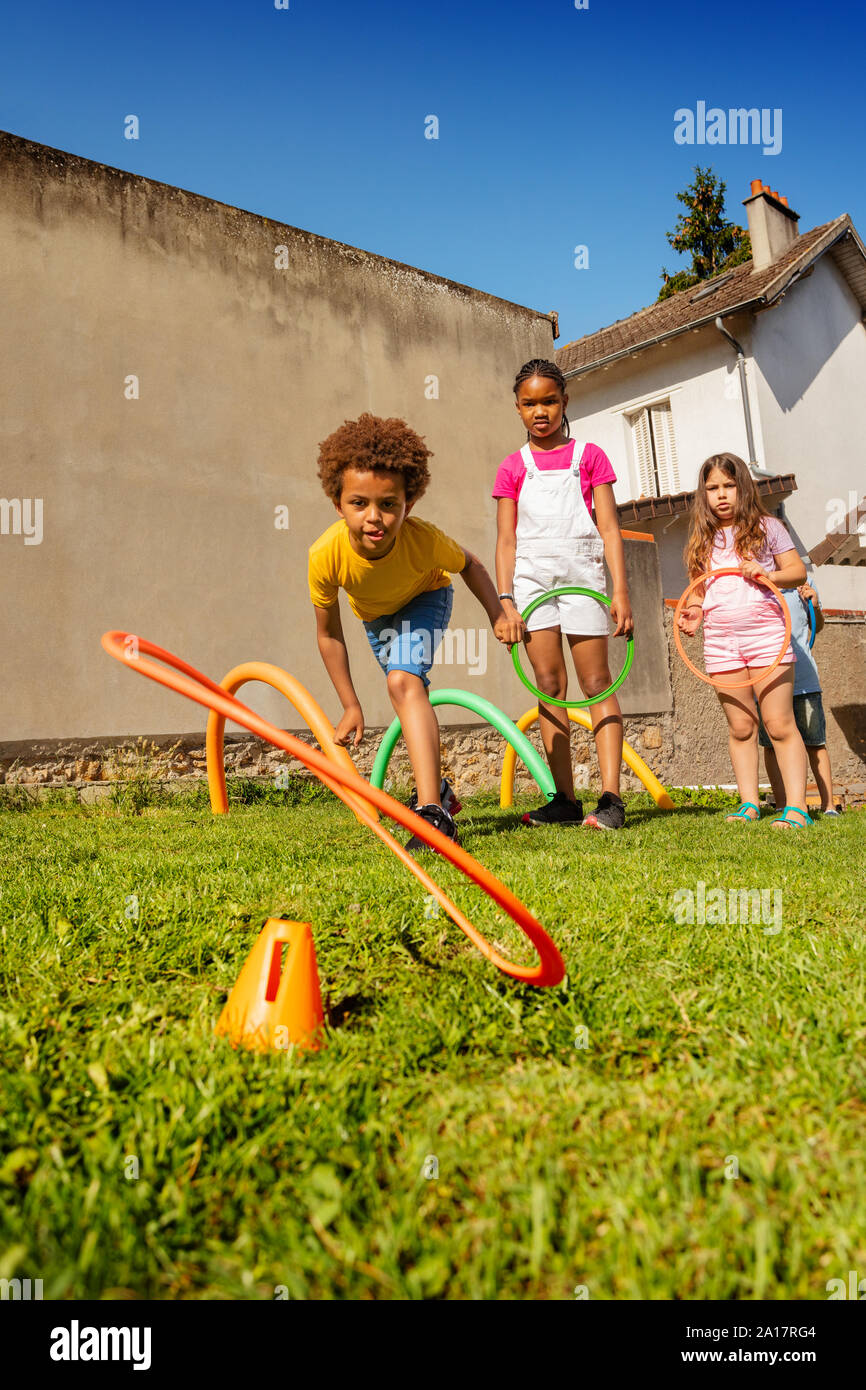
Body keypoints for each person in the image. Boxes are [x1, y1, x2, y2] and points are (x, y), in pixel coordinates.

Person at [308, 412, 519, 852]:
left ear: (409, 504)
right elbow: (329, 634)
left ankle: (432, 813)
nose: (375, 517)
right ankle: (439, 791)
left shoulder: (423, 540)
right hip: (376, 619)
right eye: (359, 503)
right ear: (337, 503)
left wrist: (497, 611)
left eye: (389, 504)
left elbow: (471, 564)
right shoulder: (324, 555)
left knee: (402, 681)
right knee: (406, 693)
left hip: (425, 599)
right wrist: (350, 704)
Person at [493, 358, 634, 830]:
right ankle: (564, 800)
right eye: (530, 403)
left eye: (549, 401)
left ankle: (611, 799)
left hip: (584, 577)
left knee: (597, 684)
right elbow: (506, 541)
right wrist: (506, 599)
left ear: (564, 402)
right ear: (516, 408)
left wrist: (620, 591)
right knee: (548, 686)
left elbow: (611, 529)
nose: (540, 411)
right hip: (532, 583)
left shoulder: (590, 457)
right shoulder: (512, 466)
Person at [677, 452, 812, 828]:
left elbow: (797, 571)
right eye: (712, 488)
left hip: (767, 635)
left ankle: (797, 807)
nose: (721, 495)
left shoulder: (768, 528)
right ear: (703, 494)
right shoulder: (702, 538)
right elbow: (701, 591)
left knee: (779, 723)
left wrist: (764, 573)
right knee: (741, 727)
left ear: (743, 488)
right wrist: (696, 611)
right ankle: (749, 803)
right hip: (721, 640)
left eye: (728, 486)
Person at [757, 578, 840, 816]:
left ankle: (828, 806)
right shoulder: (754, 583)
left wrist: (814, 606)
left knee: (815, 743)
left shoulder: (801, 583)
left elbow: (818, 626)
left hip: (804, 681)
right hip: (768, 680)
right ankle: (783, 803)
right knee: (771, 745)